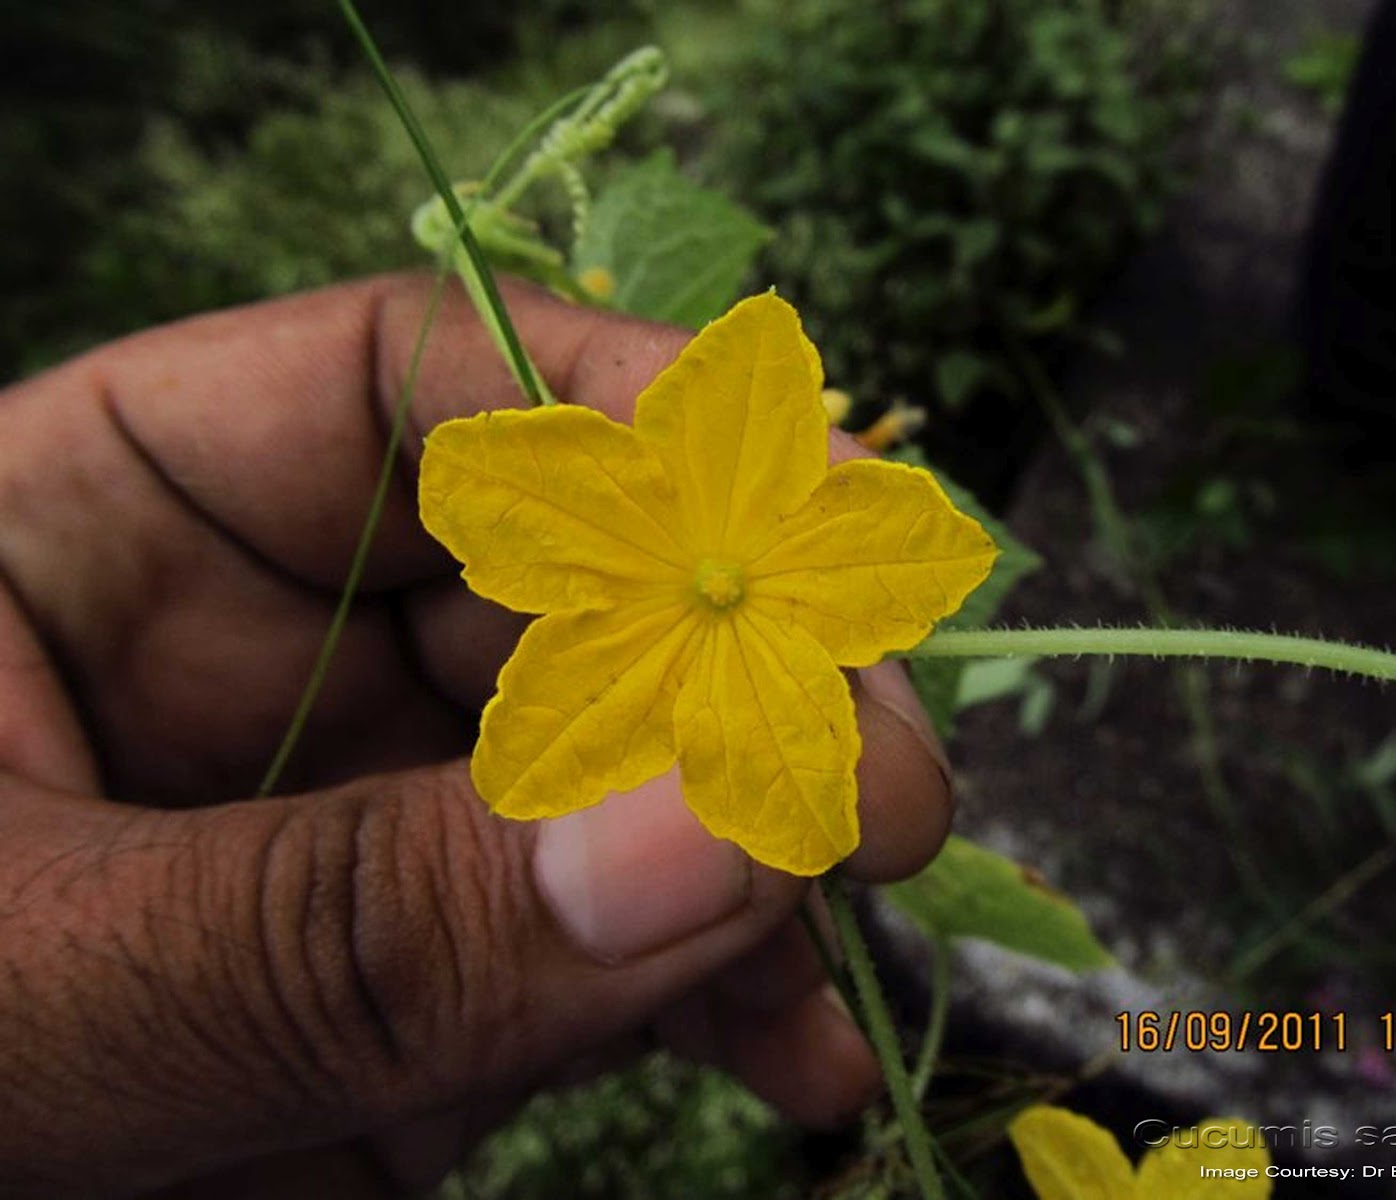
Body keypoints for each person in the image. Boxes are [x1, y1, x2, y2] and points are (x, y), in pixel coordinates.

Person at [0, 275, 955, 1198]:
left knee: (802, 813)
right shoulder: (580, 517)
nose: (715, 583)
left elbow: (901, 528)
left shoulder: (756, 418)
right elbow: (530, 723)